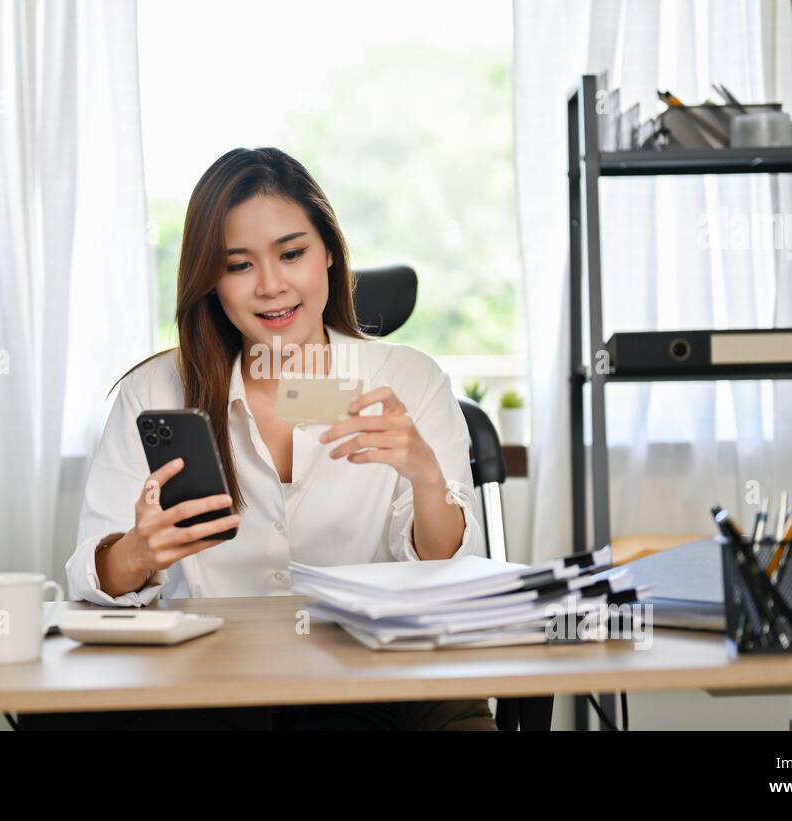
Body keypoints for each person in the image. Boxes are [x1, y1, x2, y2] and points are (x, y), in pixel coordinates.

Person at [59, 147, 495, 731]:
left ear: (330, 256)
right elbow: (92, 579)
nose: (271, 286)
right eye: (238, 265)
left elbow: (446, 570)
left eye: (292, 254)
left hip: (387, 680)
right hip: (219, 686)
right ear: (209, 280)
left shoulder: (409, 378)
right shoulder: (156, 391)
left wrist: (426, 478)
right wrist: (139, 551)